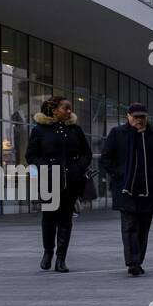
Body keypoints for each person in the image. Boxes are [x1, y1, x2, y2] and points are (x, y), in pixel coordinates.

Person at [99, 103, 153, 277]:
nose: (139, 120)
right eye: (136, 117)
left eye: (142, 117)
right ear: (128, 116)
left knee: (143, 227)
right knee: (129, 225)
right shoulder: (118, 134)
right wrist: (119, 175)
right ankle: (133, 262)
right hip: (126, 189)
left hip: (148, 189)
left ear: (147, 117)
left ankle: (138, 259)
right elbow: (106, 158)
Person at [26, 96, 92, 272]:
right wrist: (44, 167)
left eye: (70, 108)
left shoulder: (75, 130)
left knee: (66, 219)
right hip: (49, 180)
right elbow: (31, 155)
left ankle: (61, 259)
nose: (69, 111)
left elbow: (87, 153)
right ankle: (48, 251)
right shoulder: (40, 130)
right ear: (54, 110)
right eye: (65, 108)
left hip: (71, 180)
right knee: (48, 218)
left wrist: (78, 167)